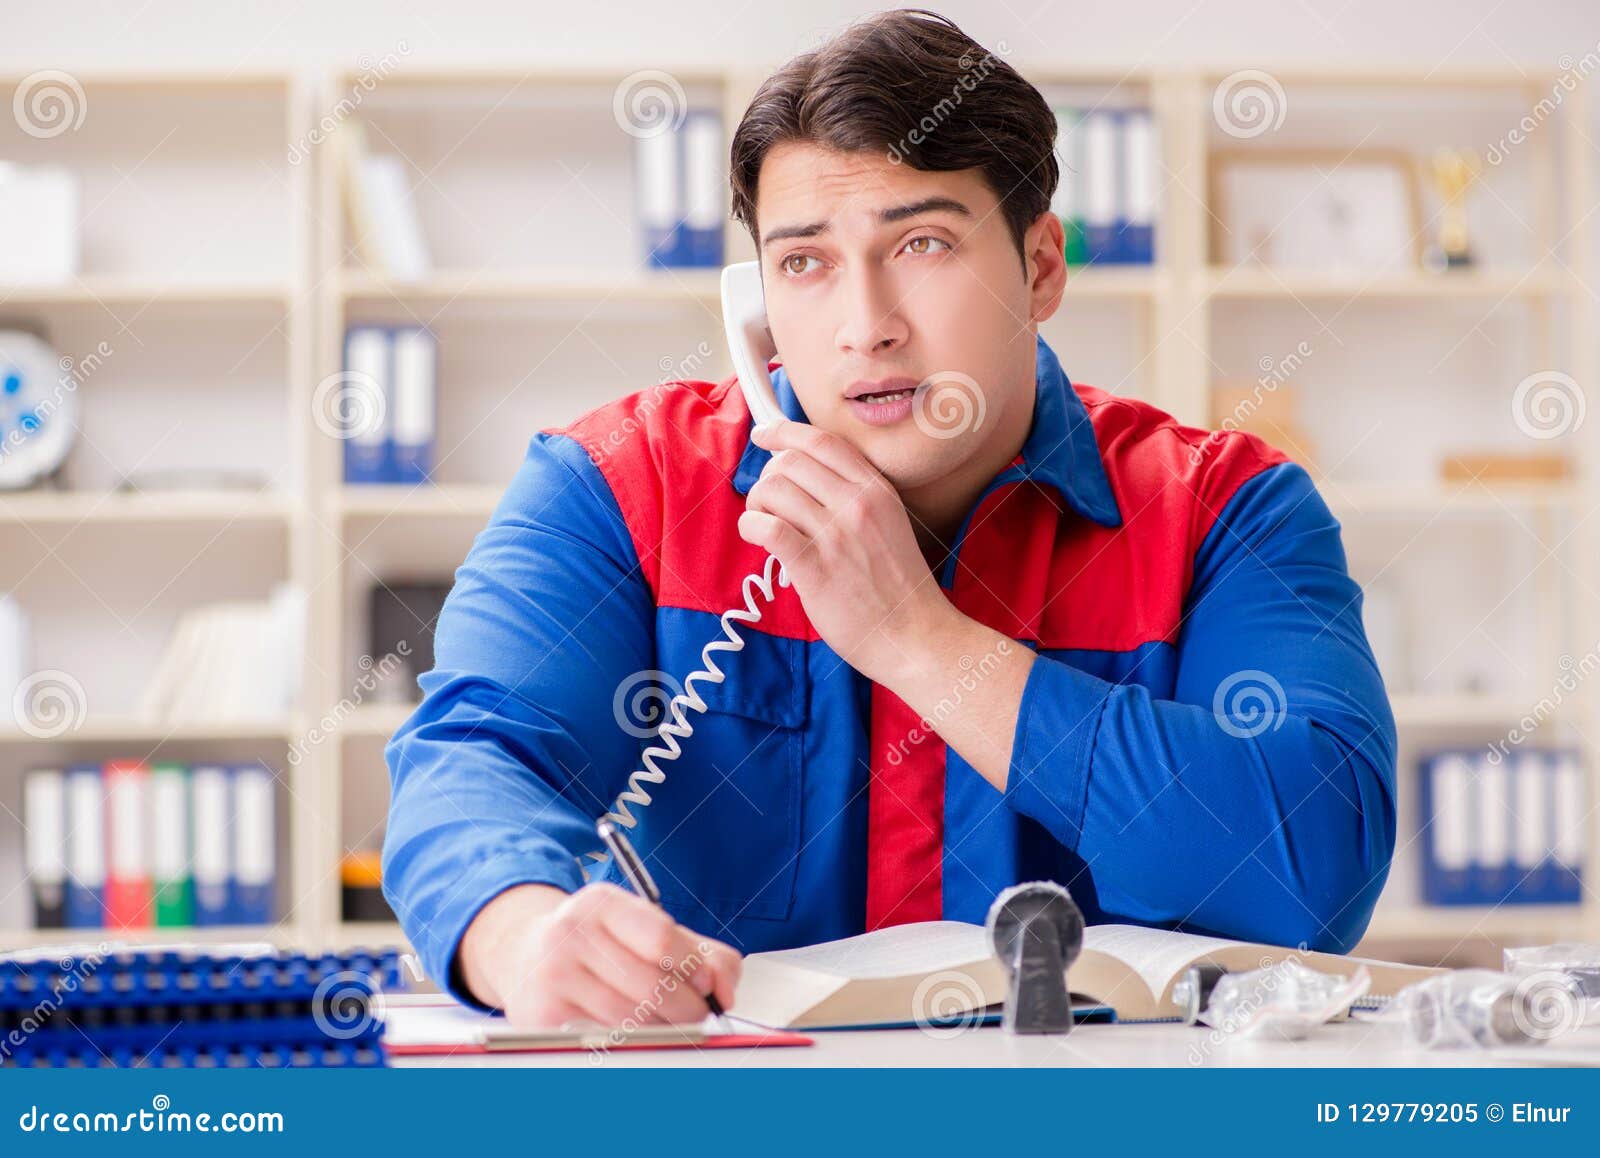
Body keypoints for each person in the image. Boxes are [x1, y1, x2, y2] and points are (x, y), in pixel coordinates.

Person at [383, 9, 1396, 1028]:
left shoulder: (1228, 511)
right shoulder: (616, 484)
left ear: (1041, 268)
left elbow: (1315, 875)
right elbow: (472, 760)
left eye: (921, 243)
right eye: (805, 263)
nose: (865, 328)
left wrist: (918, 640)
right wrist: (517, 935)